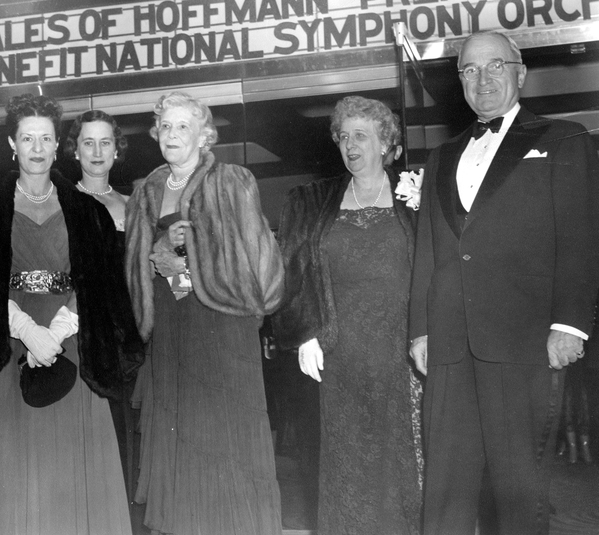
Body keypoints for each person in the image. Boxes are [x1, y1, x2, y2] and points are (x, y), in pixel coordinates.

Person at [408, 30, 599, 534]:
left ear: (520, 73)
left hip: (523, 341)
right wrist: (420, 330)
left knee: (519, 491)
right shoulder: (443, 155)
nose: (482, 78)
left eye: (494, 66)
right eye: (469, 70)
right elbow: (429, 249)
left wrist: (571, 326)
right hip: (449, 343)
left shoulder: (564, 138)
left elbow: (580, 238)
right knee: (445, 491)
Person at [0, 94, 143, 534]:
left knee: (68, 467)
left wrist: (58, 331)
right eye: (26, 137)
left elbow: (100, 286)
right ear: (12, 143)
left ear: (56, 147)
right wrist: (29, 331)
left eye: (44, 138)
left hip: (72, 341)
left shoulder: (89, 211)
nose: (35, 147)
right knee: (14, 466)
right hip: (7, 342)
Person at [125, 91, 285, 535]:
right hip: (172, 328)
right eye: (166, 127)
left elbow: (256, 260)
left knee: (224, 442)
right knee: (181, 439)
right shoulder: (147, 190)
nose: (172, 135)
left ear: (204, 135)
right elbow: (141, 269)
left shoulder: (231, 181)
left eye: (183, 127)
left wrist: (191, 264)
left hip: (222, 326)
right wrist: (158, 255)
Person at [272, 96, 422, 535]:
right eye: (343, 136)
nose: (350, 145)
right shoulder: (315, 200)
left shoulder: (416, 192)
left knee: (407, 459)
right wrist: (305, 333)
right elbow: (293, 270)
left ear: (386, 142)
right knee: (347, 462)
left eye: (361, 135)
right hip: (340, 354)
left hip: (406, 351)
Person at [63, 109, 137, 499]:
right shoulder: (62, 201)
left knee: (121, 439)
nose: (96, 150)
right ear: (74, 151)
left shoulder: (133, 205)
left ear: (116, 150)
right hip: (77, 333)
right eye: (87, 142)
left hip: (125, 337)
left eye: (105, 142)